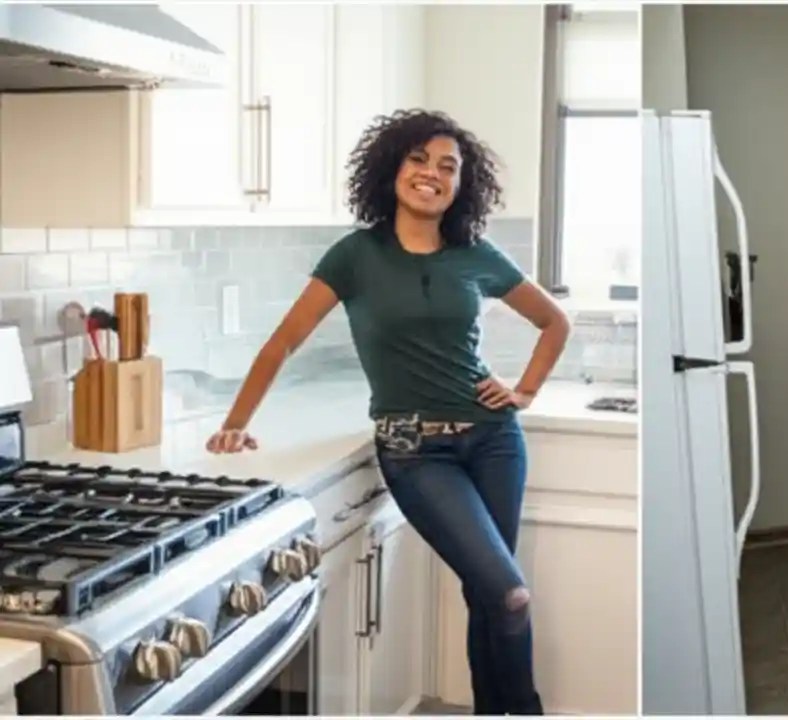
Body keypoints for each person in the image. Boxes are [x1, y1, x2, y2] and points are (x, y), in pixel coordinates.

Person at [206, 109, 569, 716]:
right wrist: (236, 422)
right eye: (419, 159)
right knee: (510, 595)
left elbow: (554, 320)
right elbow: (284, 340)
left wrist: (526, 391)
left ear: (462, 185)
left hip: (495, 439)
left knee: (488, 594)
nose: (432, 174)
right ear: (393, 168)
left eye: (447, 166)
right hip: (414, 451)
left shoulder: (474, 253)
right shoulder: (356, 255)